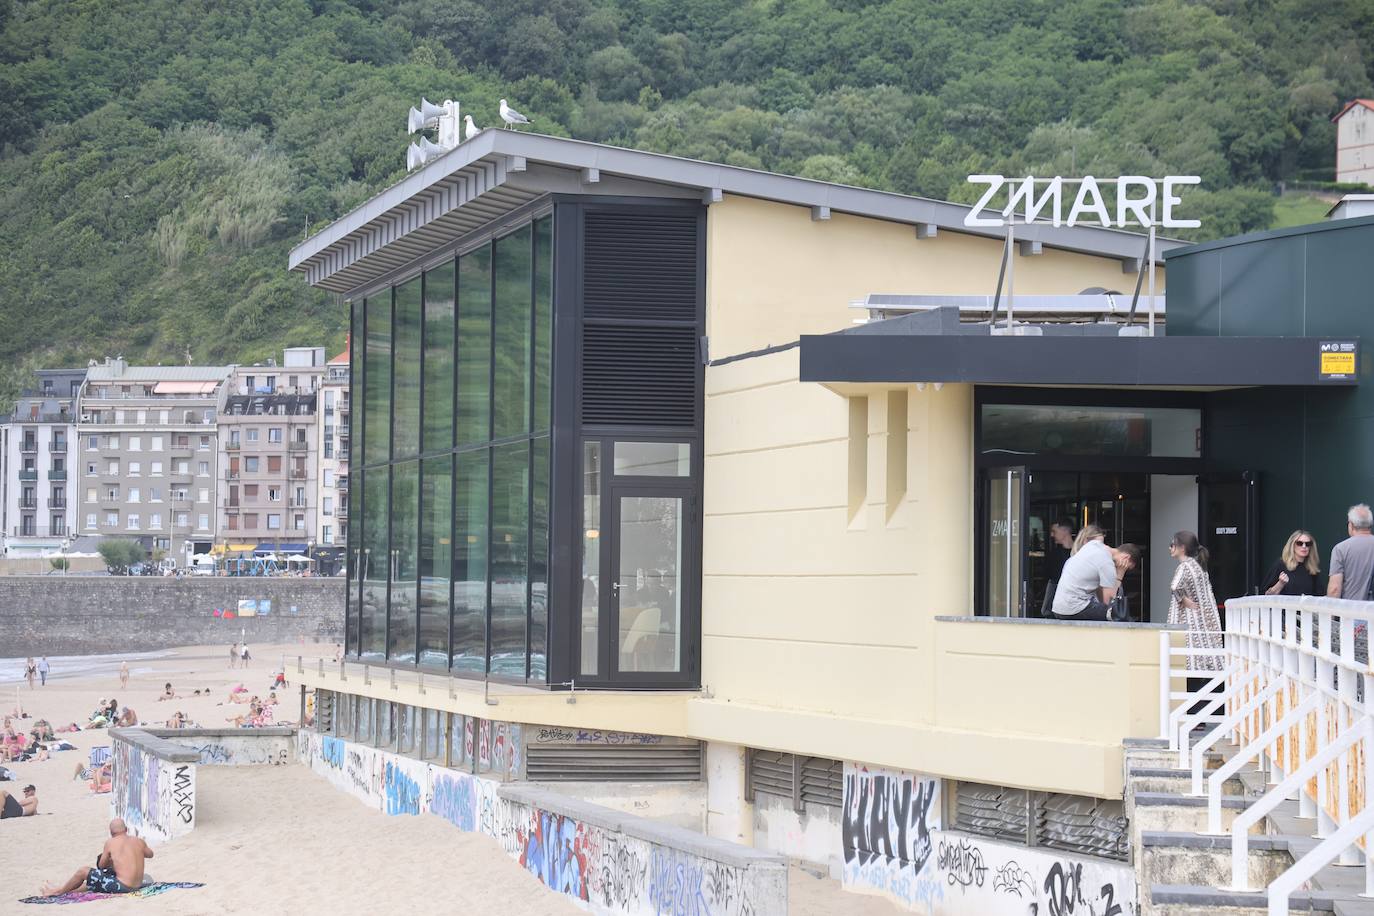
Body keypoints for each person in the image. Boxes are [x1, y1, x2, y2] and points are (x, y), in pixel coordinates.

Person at [42, 818, 153, 896]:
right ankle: (62, 888)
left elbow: (101, 865)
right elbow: (150, 854)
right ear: (126, 829)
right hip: (136, 885)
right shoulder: (139, 841)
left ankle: (58, 892)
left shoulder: (110, 842)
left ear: (111, 832)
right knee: (94, 881)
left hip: (123, 887)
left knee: (83, 871)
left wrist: (110, 860)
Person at [1050, 531, 1141, 621]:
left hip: (1060, 607)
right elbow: (1109, 601)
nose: (1125, 568)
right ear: (1126, 558)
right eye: (1127, 567)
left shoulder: (1094, 546)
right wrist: (1120, 573)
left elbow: (1099, 595)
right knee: (1117, 615)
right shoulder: (1107, 562)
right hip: (1074, 607)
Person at [1168, 530, 1224, 671]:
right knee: (1205, 660)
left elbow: (1175, 587)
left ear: (1182, 548)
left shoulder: (1185, 566)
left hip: (1190, 621)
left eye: (1172, 545)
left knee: (1187, 661)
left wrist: (1184, 601)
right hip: (1204, 621)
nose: (1170, 548)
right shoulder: (1199, 566)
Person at [1328, 504, 1374, 600]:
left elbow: (1334, 589)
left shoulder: (1341, 549)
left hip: (1351, 611)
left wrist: (1331, 613)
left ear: (1351, 525)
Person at [1262, 530, 1323, 597]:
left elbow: (1319, 595)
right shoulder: (1281, 565)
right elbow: (1266, 595)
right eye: (1299, 543)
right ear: (1292, 545)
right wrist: (1280, 583)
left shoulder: (1312, 569)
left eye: (1308, 544)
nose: (1304, 546)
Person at [1039, 520, 1075, 617]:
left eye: (1054, 531)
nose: (1051, 535)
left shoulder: (1079, 552)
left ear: (1064, 531)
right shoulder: (1054, 554)